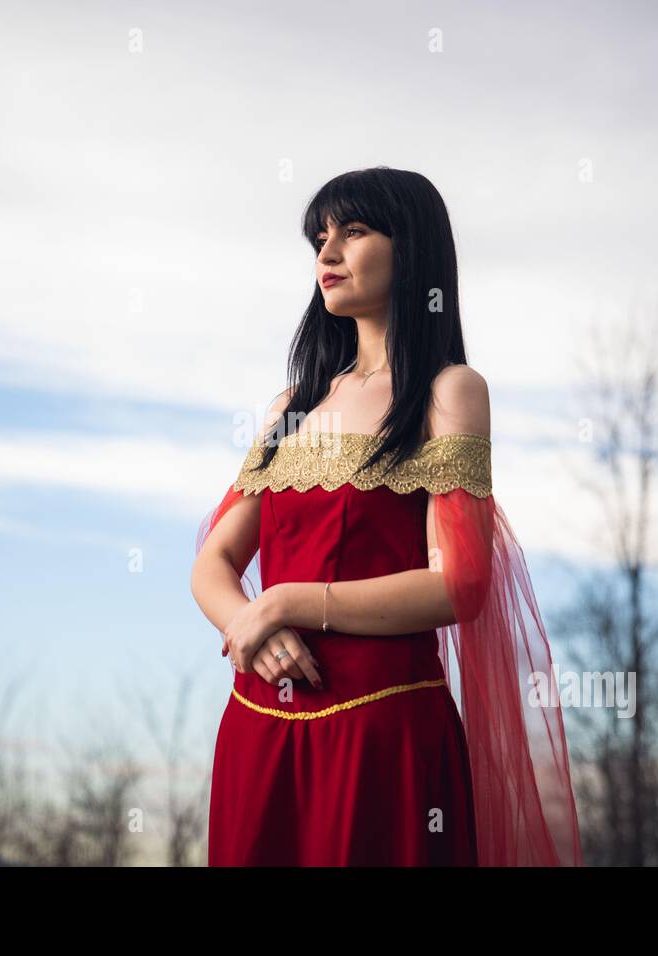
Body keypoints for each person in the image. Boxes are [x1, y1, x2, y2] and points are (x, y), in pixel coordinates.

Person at [191, 167, 583, 866]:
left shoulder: (449, 392)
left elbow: (460, 584)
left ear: (414, 249)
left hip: (383, 734)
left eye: (355, 231)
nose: (327, 252)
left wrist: (284, 602)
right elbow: (214, 563)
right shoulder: (292, 406)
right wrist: (247, 626)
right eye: (320, 237)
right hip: (257, 731)